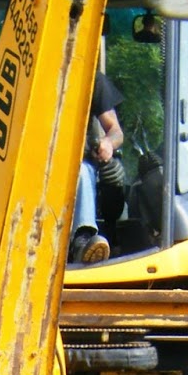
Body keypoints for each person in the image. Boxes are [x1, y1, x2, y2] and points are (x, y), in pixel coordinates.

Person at [68, 69, 123, 265]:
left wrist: (108, 143)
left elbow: (116, 132)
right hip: (37, 165)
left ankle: (82, 239)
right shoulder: (32, 74)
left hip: (77, 165)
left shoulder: (90, 78)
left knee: (82, 171)